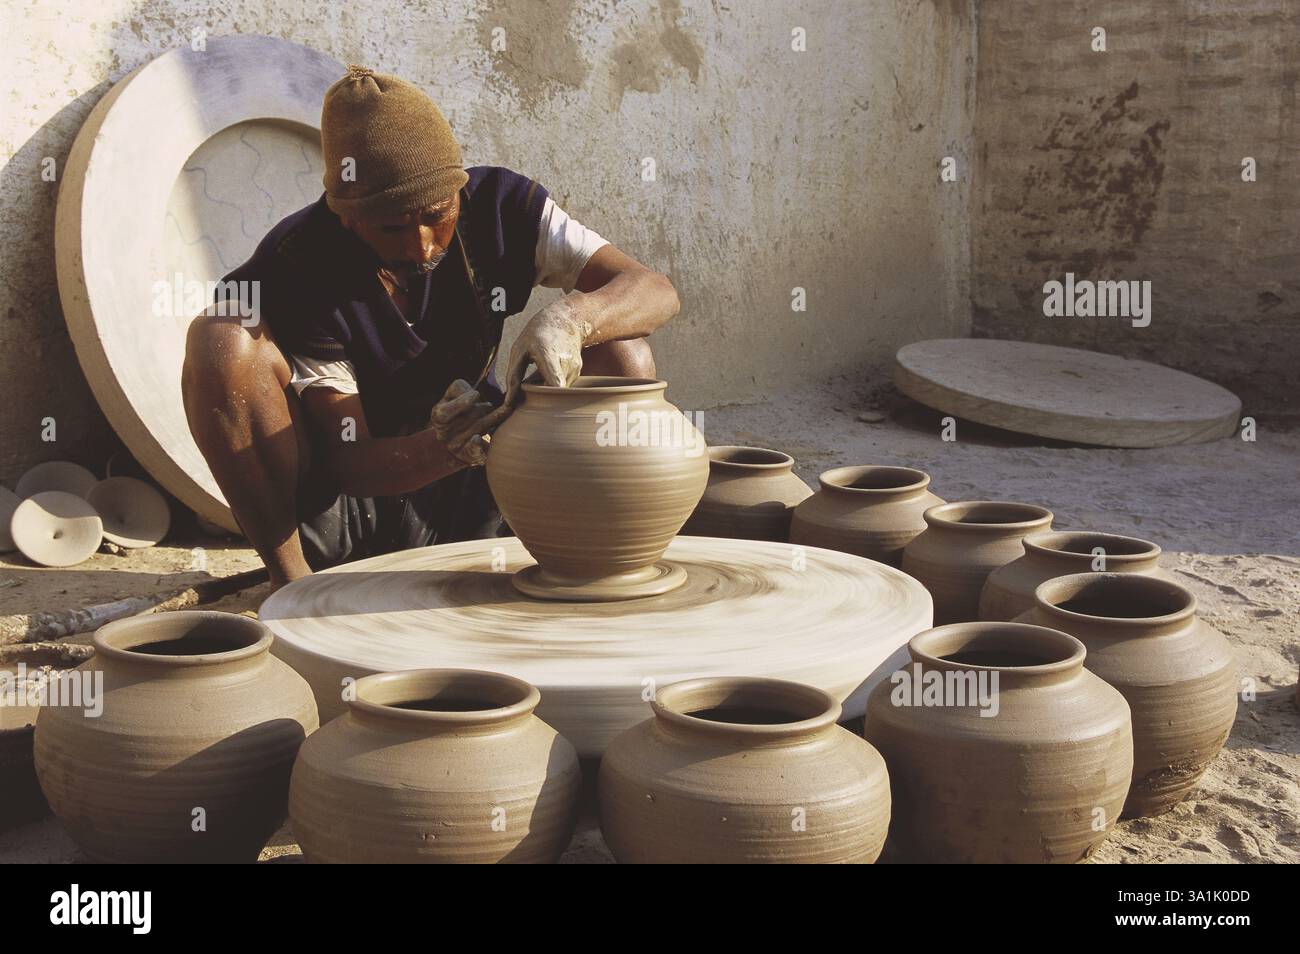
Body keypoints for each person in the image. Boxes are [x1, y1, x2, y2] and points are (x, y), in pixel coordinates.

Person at [181, 66, 680, 589]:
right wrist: (442, 449)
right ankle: (291, 586)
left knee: (623, 354)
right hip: (350, 505)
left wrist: (572, 319)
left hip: (479, 489)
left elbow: (653, 289)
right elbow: (349, 459)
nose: (420, 244)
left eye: (436, 215)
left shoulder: (504, 209)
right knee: (223, 339)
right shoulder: (299, 265)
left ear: (459, 191)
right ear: (347, 215)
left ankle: (592, 560)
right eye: (392, 227)